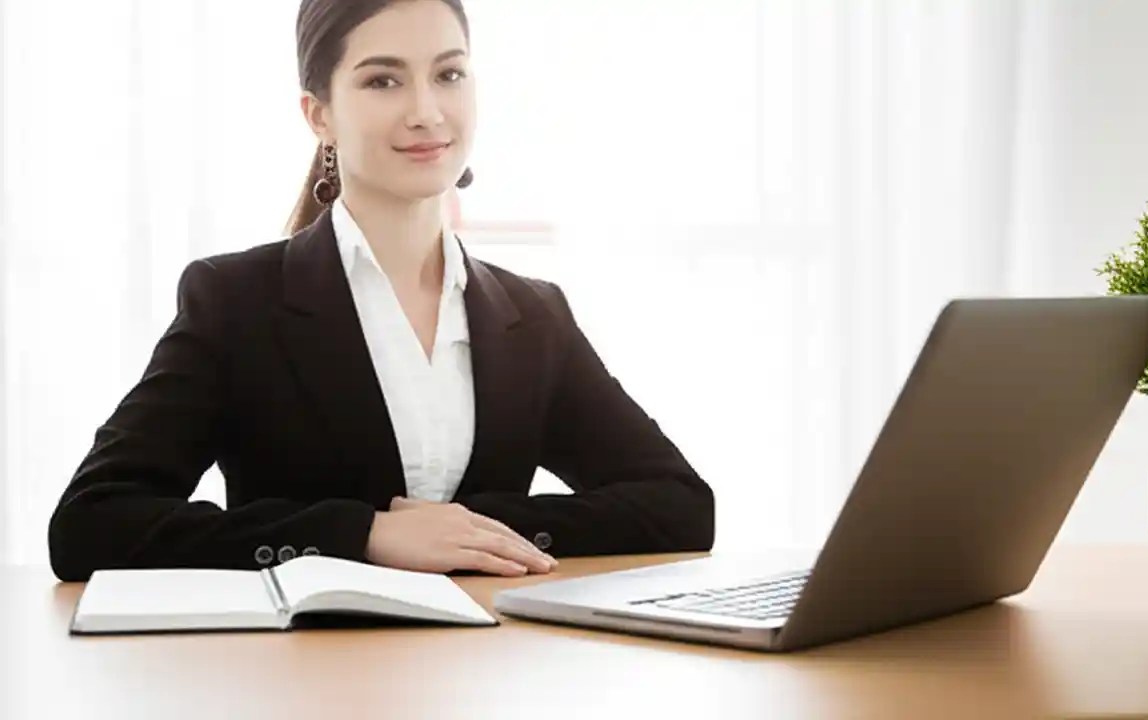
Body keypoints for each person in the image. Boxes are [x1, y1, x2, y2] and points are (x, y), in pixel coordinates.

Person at [46, 0, 714, 583]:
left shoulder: (534, 315)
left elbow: (680, 504)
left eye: (448, 74)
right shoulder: (236, 300)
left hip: (488, 676)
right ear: (320, 116)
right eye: (383, 80)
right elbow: (91, 523)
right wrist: (361, 535)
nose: (426, 111)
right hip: (303, 676)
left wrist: (473, 529)